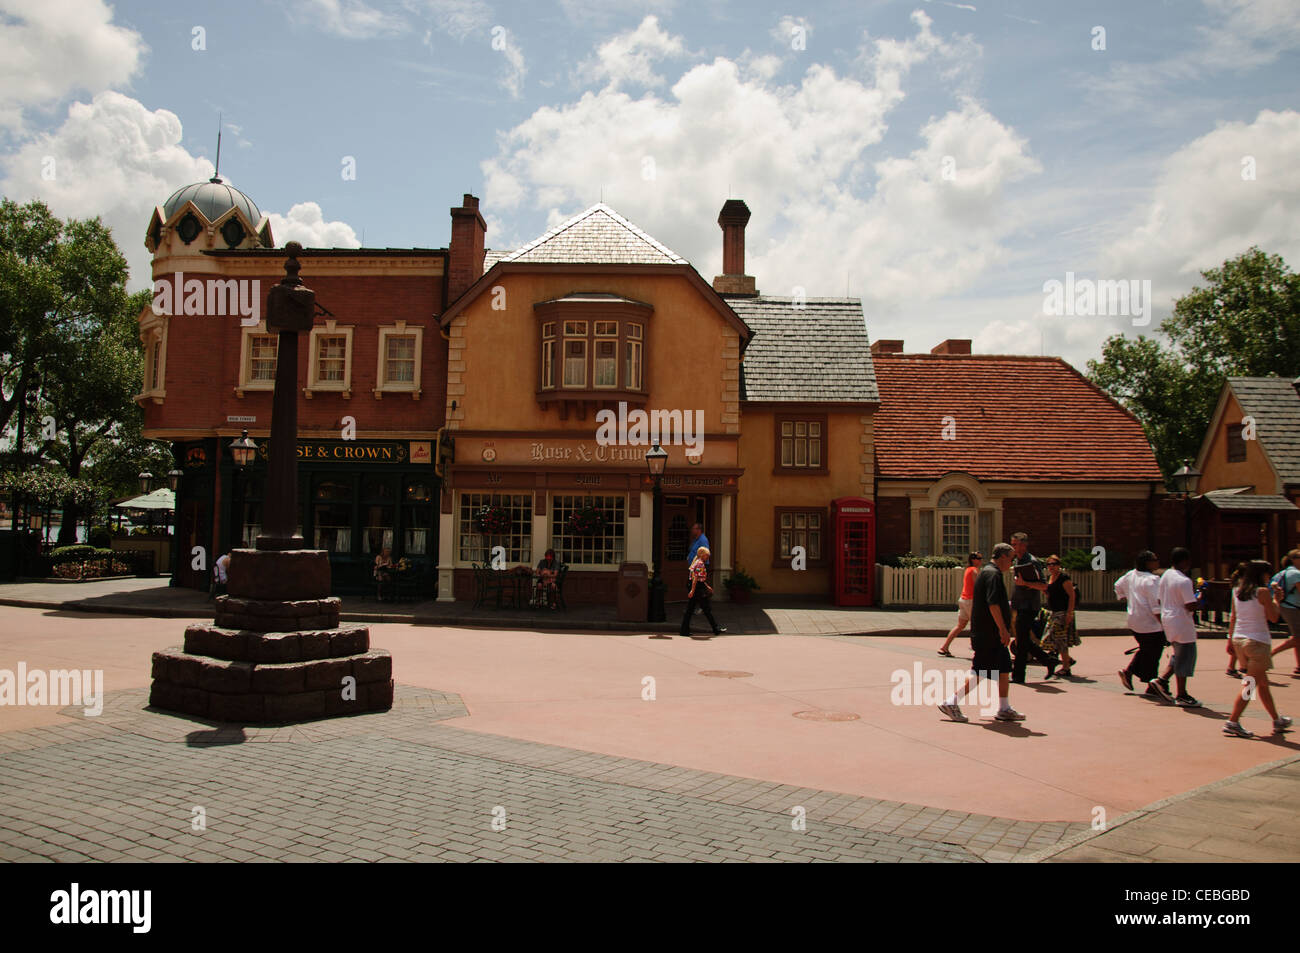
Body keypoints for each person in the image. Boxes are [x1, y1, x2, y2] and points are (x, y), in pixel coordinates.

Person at [938, 543, 1026, 723]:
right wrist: (1003, 629)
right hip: (988, 634)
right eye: (1011, 558)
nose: (1012, 562)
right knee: (980, 672)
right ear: (1002, 557)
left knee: (1003, 669)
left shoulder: (988, 572)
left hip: (990, 633)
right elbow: (993, 604)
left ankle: (1004, 707)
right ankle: (951, 701)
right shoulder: (992, 575)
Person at [1223, 560, 1292, 738]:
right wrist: (1277, 599)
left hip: (1240, 640)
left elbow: (1233, 617)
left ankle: (1277, 719)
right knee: (1250, 684)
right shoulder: (1262, 592)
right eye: (1268, 574)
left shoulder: (1237, 590)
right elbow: (1274, 617)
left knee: (1262, 683)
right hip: (1257, 643)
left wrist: (1230, 640)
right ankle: (1233, 721)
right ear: (1262, 574)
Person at [1151, 547, 1201, 707]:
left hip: (1168, 619)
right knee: (1186, 656)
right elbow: (1191, 605)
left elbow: (1159, 599)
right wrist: (1200, 597)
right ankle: (1182, 694)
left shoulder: (1166, 575)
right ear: (1185, 561)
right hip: (1182, 621)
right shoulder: (1184, 580)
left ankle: (1162, 680)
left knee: (1178, 654)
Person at [1115, 550, 1167, 700]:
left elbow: (1117, 586)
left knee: (1147, 649)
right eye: (1154, 559)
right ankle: (1152, 683)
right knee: (1153, 653)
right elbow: (1155, 606)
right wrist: (1164, 624)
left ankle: (1130, 672)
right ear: (1147, 562)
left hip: (1134, 620)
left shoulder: (1131, 575)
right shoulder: (1152, 580)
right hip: (1150, 622)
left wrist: (1130, 600)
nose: (1157, 562)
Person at [1009, 532, 1058, 682]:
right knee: (1022, 640)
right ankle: (1048, 660)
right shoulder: (1018, 560)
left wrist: (1026, 584)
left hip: (1029, 606)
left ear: (1024, 545)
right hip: (1020, 604)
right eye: (1012, 544)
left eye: (1015, 544)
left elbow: (1043, 585)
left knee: (1022, 641)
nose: (1013, 547)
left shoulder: (1032, 561)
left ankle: (1018, 675)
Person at [1041, 555, 1080, 676]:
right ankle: (1067, 660)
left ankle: (1066, 667)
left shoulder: (1064, 578)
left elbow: (1071, 596)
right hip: (1054, 612)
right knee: (1054, 639)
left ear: (1059, 565)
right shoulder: (1050, 578)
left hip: (1062, 613)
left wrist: (1069, 613)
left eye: (1054, 564)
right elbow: (1051, 593)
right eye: (1049, 564)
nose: (1052, 566)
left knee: (1060, 639)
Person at [938, 552, 982, 657]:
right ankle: (976, 647)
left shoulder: (967, 570)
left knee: (960, 625)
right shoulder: (974, 570)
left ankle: (944, 647)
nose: (981, 560)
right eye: (979, 558)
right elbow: (978, 586)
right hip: (971, 601)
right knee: (976, 626)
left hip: (963, 599)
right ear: (973, 559)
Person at [679, 545, 725, 639]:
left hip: (696, 586)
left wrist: (707, 586)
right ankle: (715, 629)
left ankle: (684, 630)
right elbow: (696, 578)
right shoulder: (700, 563)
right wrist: (693, 590)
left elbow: (698, 578)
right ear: (702, 555)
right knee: (705, 609)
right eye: (706, 555)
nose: (707, 557)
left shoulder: (696, 562)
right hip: (697, 588)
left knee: (691, 609)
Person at [1269, 549, 1300, 675]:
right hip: (1293, 607)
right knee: (1298, 637)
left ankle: (1299, 665)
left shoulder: (1281, 573)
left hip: (1286, 606)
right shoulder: (1295, 573)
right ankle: (1269, 654)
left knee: (1297, 636)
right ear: (1293, 559)